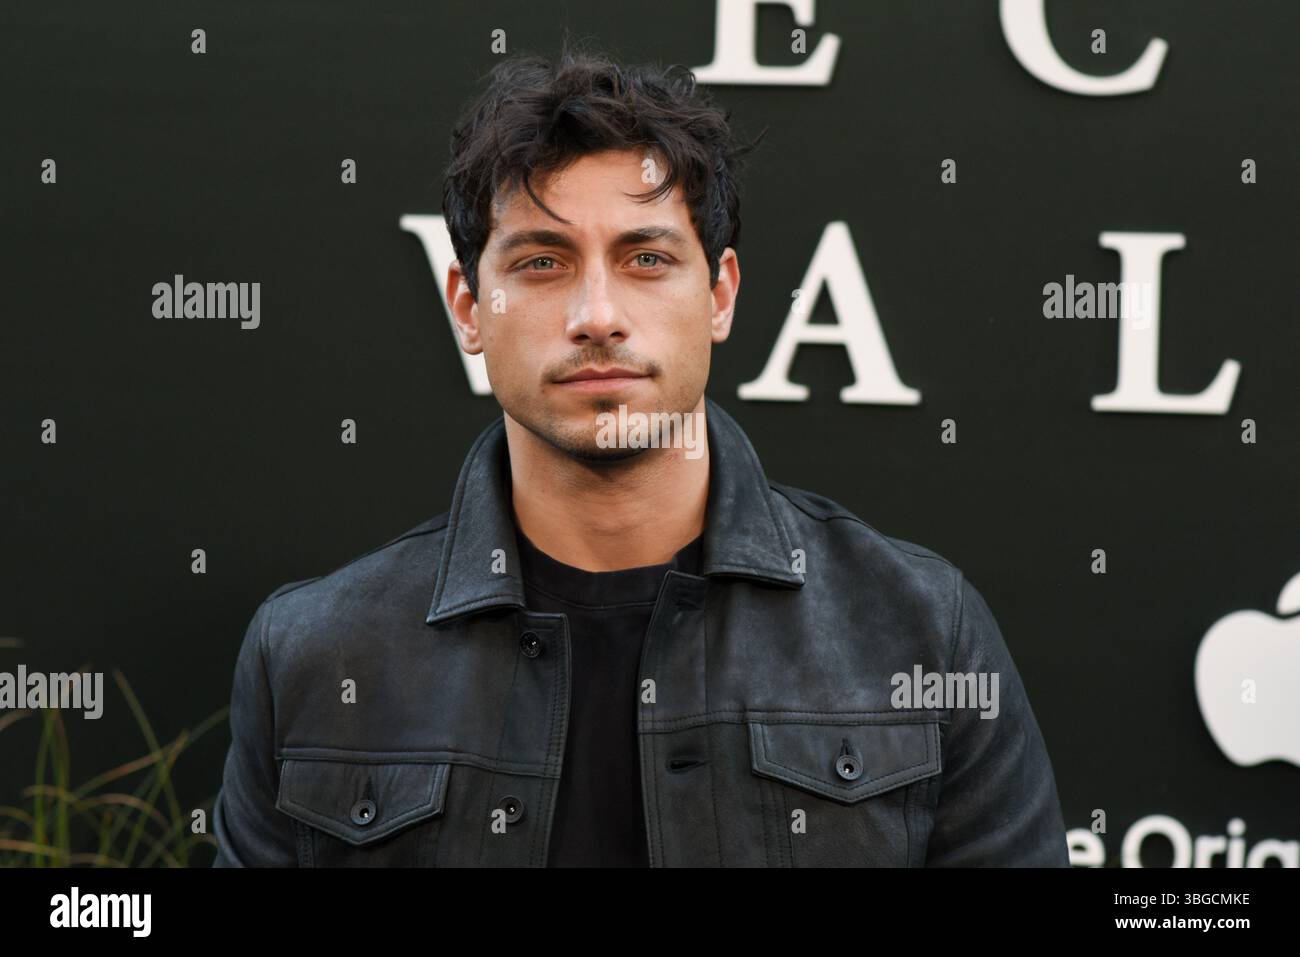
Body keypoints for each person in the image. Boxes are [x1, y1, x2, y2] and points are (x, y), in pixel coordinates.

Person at [212, 43, 1069, 867]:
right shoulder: (315, 657)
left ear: (720, 294)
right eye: (543, 262)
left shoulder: (923, 631)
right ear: (470, 308)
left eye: (647, 258)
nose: (597, 314)